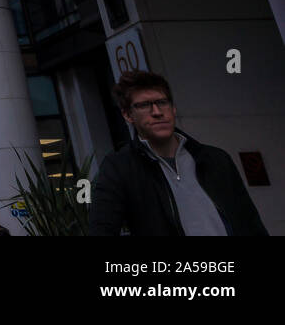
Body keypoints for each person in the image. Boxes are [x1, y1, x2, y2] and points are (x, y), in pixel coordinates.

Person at [88, 69, 267, 236]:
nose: (157, 112)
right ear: (128, 115)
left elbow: (251, 223)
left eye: (162, 102)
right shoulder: (120, 167)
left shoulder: (215, 159)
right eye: (144, 105)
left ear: (173, 108)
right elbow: (101, 229)